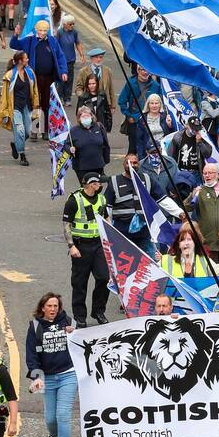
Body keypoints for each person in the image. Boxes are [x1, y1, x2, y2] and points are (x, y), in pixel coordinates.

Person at [26, 293, 77, 437]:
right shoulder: (35, 327)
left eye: (56, 306)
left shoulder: (69, 322)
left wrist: (75, 333)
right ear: (42, 308)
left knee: (63, 414)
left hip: (68, 375)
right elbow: (31, 355)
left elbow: (83, 344)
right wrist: (36, 377)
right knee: (50, 418)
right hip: (47, 378)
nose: (53, 309)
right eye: (49, 306)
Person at [62, 172, 110, 326]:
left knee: (104, 278)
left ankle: (98, 311)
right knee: (80, 282)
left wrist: (110, 239)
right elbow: (66, 225)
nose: (101, 185)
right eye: (98, 182)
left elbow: (106, 219)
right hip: (81, 246)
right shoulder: (74, 200)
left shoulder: (102, 199)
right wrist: (71, 246)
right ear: (91, 184)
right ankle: (80, 316)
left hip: (98, 245)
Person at [149, 294, 188, 437]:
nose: (162, 309)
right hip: (157, 378)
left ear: (171, 307)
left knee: (178, 411)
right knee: (160, 415)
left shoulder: (179, 322)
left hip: (179, 378)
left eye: (165, 306)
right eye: (159, 306)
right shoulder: (146, 324)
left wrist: (179, 321)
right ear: (155, 308)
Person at [10, 18, 68, 135]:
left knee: (47, 105)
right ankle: (35, 130)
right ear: (36, 30)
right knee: (35, 104)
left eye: (45, 30)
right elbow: (14, 44)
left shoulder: (52, 41)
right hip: (34, 78)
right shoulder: (29, 41)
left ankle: (46, 130)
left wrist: (63, 71)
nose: (43, 33)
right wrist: (16, 34)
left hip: (49, 78)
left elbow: (60, 56)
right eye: (41, 30)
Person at [104, 153, 169, 259]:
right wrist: (109, 229)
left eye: (135, 162)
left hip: (145, 232)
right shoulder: (114, 181)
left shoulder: (147, 179)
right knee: (125, 264)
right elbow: (107, 208)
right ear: (123, 164)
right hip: (122, 232)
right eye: (129, 162)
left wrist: (179, 212)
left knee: (150, 262)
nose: (132, 165)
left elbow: (163, 199)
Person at [0, 49, 38, 166]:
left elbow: (35, 91)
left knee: (28, 132)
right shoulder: (9, 76)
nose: (28, 60)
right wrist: (4, 112)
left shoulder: (30, 73)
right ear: (20, 61)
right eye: (26, 58)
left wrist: (36, 106)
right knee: (20, 131)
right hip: (14, 107)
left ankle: (15, 144)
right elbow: (4, 96)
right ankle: (22, 155)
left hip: (27, 106)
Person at [118, 65, 160, 154]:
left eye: (147, 70)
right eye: (142, 70)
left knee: (150, 149)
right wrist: (129, 116)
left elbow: (161, 103)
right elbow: (122, 101)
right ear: (137, 70)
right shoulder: (130, 83)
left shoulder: (156, 86)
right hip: (134, 122)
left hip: (150, 122)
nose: (145, 72)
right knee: (133, 150)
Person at [70, 102, 111, 182]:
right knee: (86, 188)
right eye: (83, 116)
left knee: (97, 186)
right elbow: (67, 145)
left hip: (97, 164)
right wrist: (70, 149)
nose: (85, 118)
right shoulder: (74, 131)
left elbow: (105, 144)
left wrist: (105, 160)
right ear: (79, 118)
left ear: (92, 116)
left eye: (87, 116)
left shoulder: (99, 127)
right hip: (81, 167)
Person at [75, 48, 116, 120]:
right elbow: (78, 88)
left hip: (103, 105)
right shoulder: (83, 71)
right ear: (91, 58)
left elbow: (111, 89)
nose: (99, 59)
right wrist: (83, 97)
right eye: (96, 57)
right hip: (88, 105)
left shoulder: (107, 71)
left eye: (100, 57)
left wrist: (113, 106)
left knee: (103, 127)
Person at [135, 92, 175, 161]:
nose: (154, 106)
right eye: (152, 103)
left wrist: (170, 126)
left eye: (156, 103)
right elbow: (139, 141)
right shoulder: (142, 119)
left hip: (164, 150)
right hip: (149, 151)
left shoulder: (165, 117)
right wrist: (142, 158)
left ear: (160, 105)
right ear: (148, 105)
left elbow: (172, 136)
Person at [56, 14, 84, 103]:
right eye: (70, 24)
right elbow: (55, 46)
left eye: (73, 24)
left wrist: (81, 55)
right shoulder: (59, 32)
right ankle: (59, 97)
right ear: (64, 24)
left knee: (69, 80)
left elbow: (78, 43)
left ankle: (67, 98)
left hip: (71, 60)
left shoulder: (74, 32)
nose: (72, 26)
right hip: (61, 61)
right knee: (61, 80)